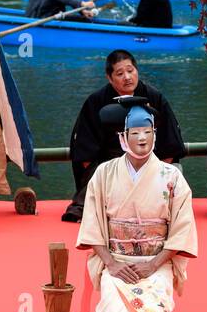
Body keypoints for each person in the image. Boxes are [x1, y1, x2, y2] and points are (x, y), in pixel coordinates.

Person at [77, 101, 198, 312]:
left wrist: (153, 264)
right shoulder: (104, 173)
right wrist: (111, 264)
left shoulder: (171, 176)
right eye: (135, 133)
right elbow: (91, 223)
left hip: (157, 261)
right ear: (123, 136)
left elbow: (182, 228)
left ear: (155, 135)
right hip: (117, 261)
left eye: (147, 132)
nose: (142, 138)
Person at [63, 50, 186, 222]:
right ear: (109, 77)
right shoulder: (96, 101)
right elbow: (85, 152)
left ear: (137, 70)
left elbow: (170, 146)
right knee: (89, 206)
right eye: (120, 73)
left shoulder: (154, 97)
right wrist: (107, 176)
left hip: (149, 163)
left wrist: (151, 173)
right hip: (109, 166)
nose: (127, 77)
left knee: (172, 184)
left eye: (131, 70)